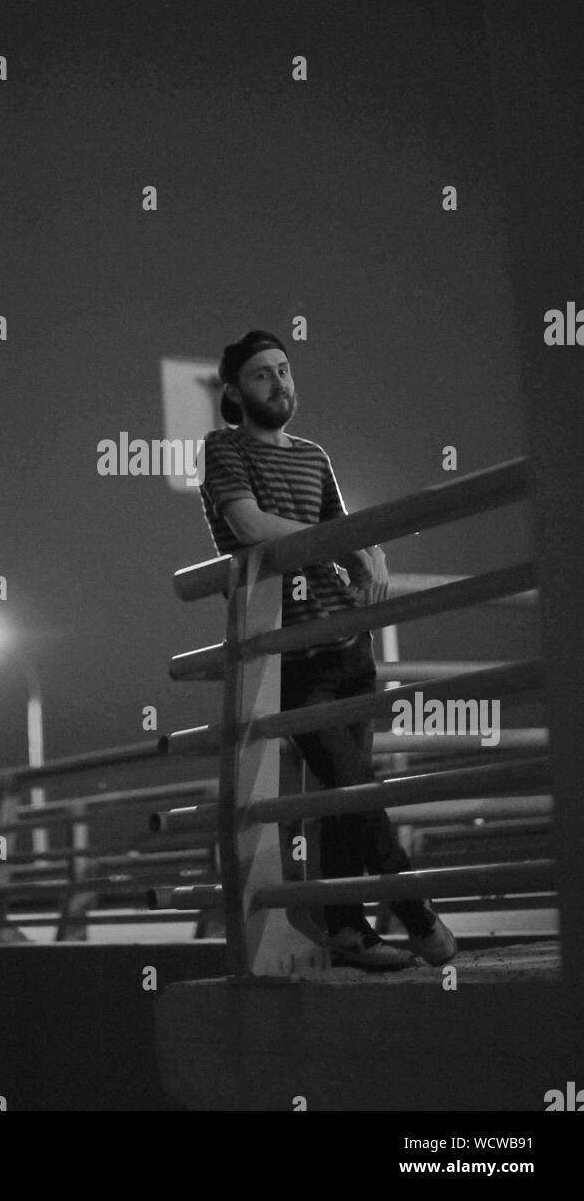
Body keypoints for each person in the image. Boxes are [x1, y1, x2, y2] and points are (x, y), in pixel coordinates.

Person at [198, 329, 457, 971]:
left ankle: (347, 929)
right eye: (262, 375)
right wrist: (344, 541)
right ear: (234, 391)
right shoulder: (223, 448)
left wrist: (367, 549)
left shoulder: (314, 455)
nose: (279, 383)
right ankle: (420, 916)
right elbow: (250, 527)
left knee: (345, 803)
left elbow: (345, 533)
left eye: (284, 370)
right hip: (289, 652)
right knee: (351, 788)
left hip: (347, 643)